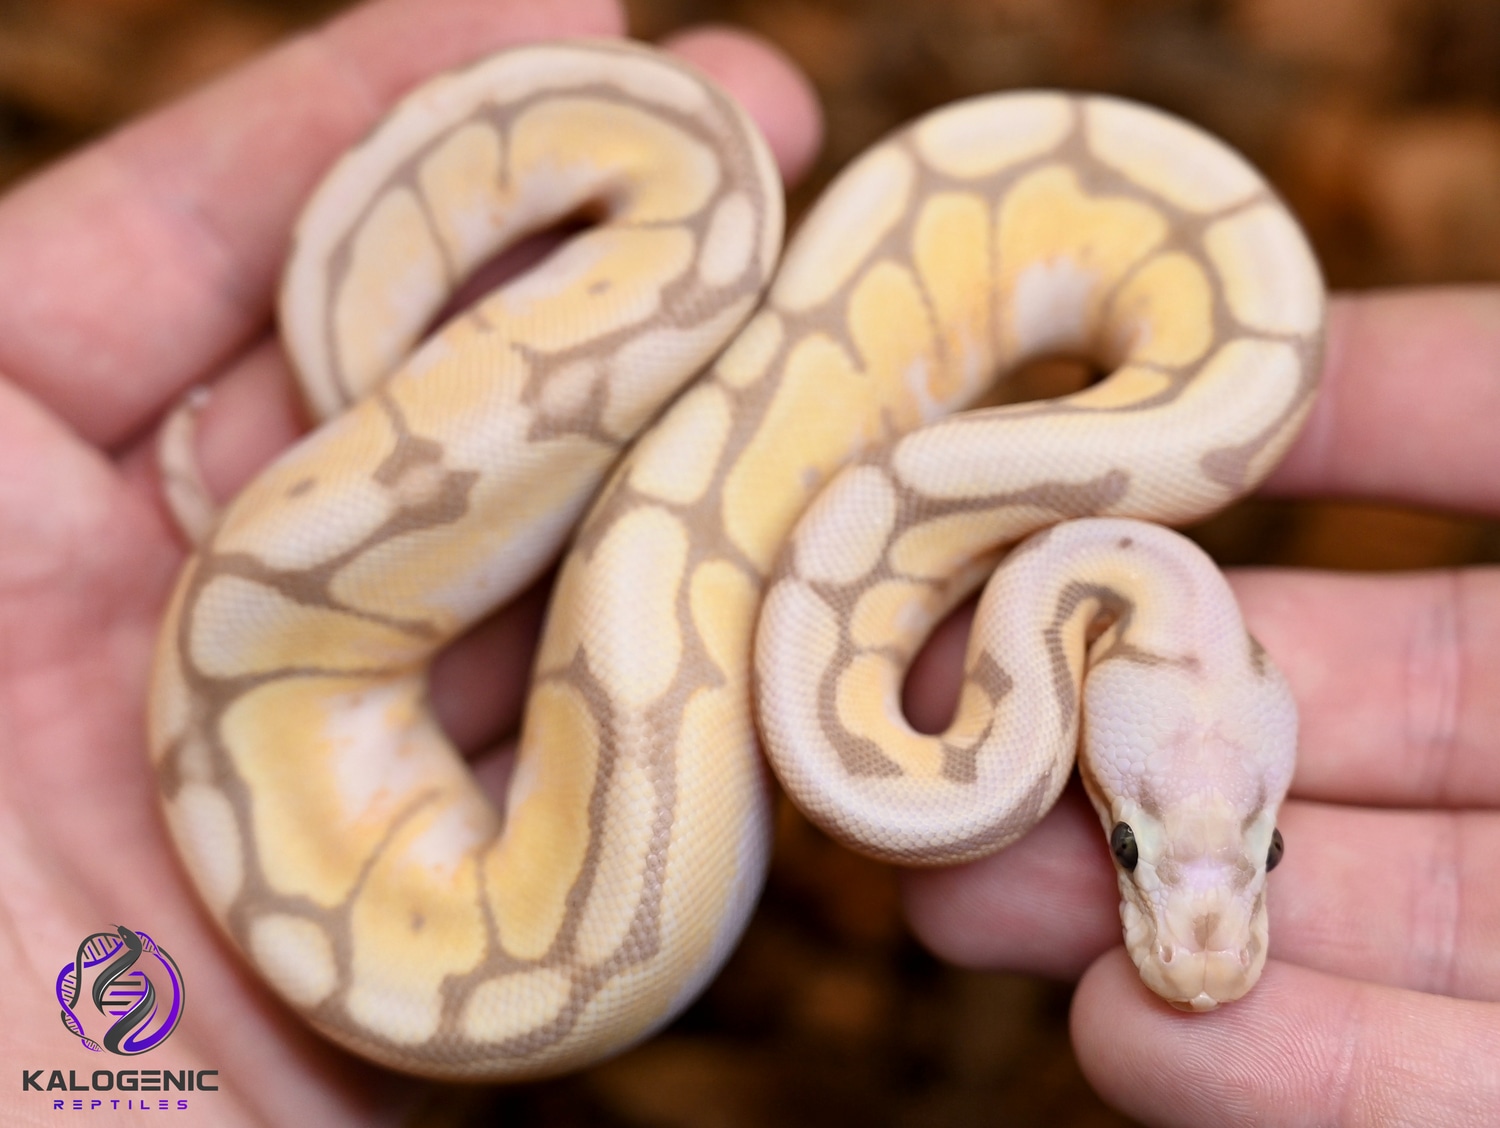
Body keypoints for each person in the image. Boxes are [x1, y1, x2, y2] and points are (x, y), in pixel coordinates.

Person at [0, 0, 1494, 1121]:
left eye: (1165, 851)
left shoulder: (1017, 611)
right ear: (1250, 683)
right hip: (335, 795)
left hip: (329, 774)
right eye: (1143, 849)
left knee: (713, 232)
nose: (1208, 942)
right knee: (707, 229)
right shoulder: (1093, 541)